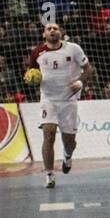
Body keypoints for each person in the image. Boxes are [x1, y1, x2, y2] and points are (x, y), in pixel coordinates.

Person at [26, 23, 93, 189]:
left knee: (69, 141)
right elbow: (30, 73)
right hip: (48, 99)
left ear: (61, 32)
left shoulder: (73, 49)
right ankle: (49, 175)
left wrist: (80, 81)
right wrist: (30, 79)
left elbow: (88, 69)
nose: (52, 31)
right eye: (49, 29)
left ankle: (67, 156)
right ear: (44, 34)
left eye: (55, 28)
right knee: (48, 134)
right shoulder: (37, 53)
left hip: (68, 100)